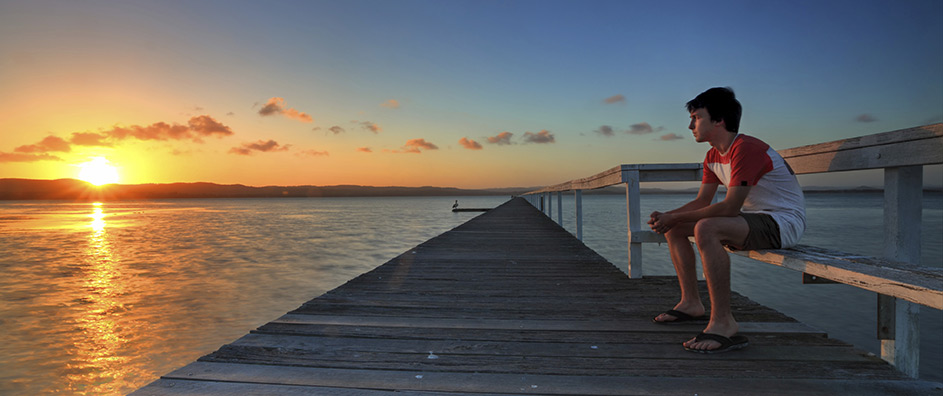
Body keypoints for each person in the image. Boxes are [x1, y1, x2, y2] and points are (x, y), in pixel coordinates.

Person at [648, 87, 806, 353]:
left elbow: (730, 207)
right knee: (675, 229)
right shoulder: (712, 155)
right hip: (752, 219)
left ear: (719, 120)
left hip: (783, 223)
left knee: (707, 227)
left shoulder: (746, 149)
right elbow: (702, 202)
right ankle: (690, 303)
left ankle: (723, 322)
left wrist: (674, 216)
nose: (690, 126)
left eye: (696, 117)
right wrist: (669, 218)